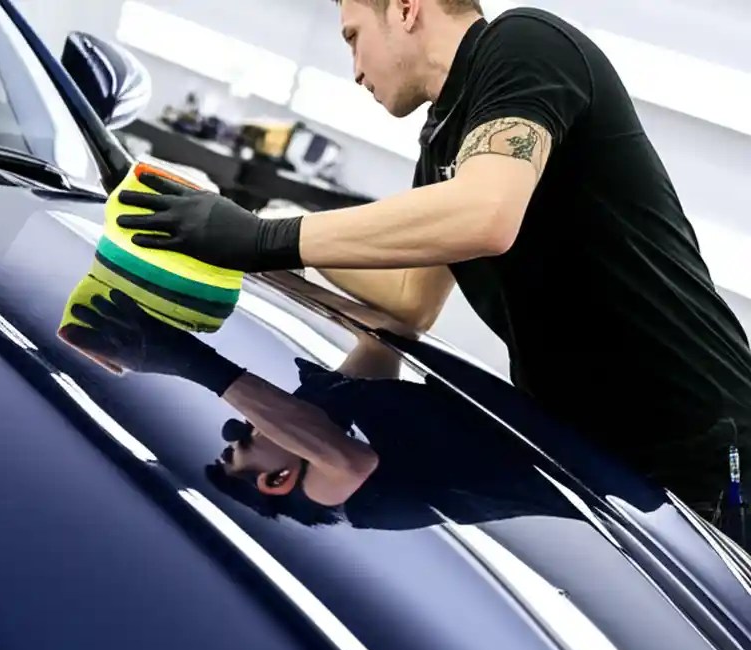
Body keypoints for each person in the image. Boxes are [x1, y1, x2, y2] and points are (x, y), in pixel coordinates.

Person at [112, 0, 751, 517]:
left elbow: (485, 215)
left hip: (703, 442)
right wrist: (253, 247)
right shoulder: (445, 140)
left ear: (408, 8)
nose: (355, 68)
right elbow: (413, 299)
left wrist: (259, 237)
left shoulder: (524, 45)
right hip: (588, 450)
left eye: (354, 35)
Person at [64, 289, 572, 529]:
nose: (250, 424)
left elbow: (385, 332)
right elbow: (346, 463)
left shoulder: (331, 418)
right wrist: (194, 364)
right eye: (244, 443)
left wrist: (258, 257)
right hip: (604, 454)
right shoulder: (347, 492)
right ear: (279, 480)